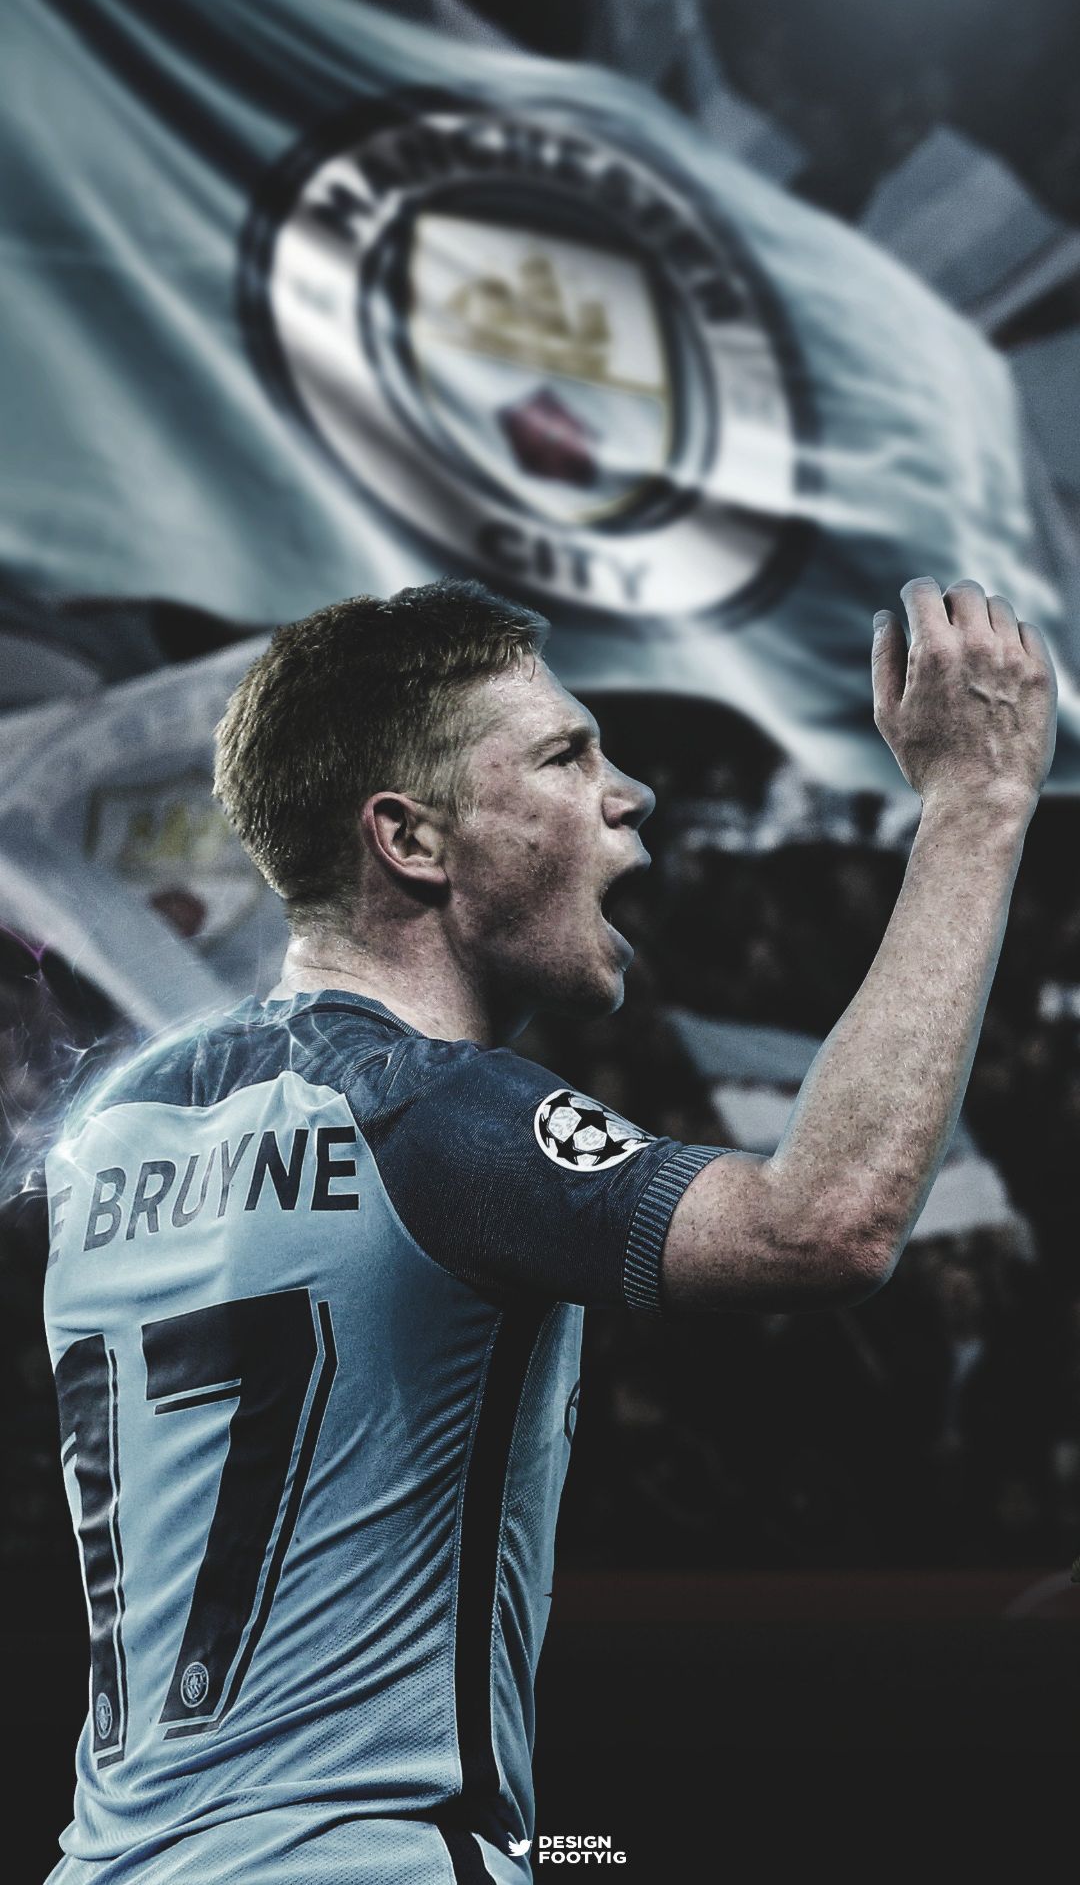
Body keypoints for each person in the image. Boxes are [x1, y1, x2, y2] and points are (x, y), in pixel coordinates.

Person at [41, 574, 1055, 1883]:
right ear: (411, 839)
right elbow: (823, 1227)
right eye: (567, 757)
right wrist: (977, 803)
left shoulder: (112, 1133)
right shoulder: (428, 1112)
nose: (630, 794)